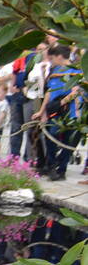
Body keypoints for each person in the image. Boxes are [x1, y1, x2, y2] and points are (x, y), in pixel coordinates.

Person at [37, 44, 83, 180]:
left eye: (53, 58)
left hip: (71, 112)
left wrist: (62, 103)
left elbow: (77, 92)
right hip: (55, 111)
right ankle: (51, 166)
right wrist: (42, 111)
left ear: (59, 56)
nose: (51, 61)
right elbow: (49, 93)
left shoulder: (76, 72)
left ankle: (61, 169)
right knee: (51, 136)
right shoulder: (55, 72)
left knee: (69, 142)